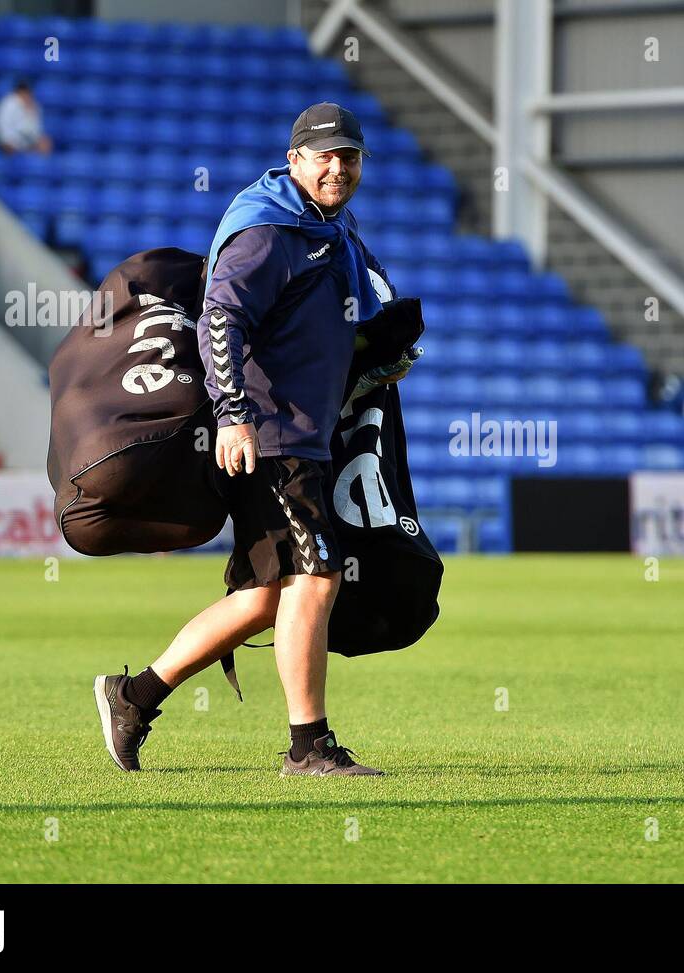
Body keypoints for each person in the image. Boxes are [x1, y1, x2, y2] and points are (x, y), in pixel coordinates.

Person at [94, 103, 408, 777]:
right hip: (270, 436)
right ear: (293, 160)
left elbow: (339, 329)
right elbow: (220, 321)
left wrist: (380, 358)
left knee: (270, 596)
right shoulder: (267, 232)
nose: (337, 166)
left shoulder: (329, 229)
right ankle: (309, 746)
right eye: (322, 155)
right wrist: (233, 413)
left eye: (348, 156)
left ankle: (133, 696)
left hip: (304, 437)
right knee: (317, 574)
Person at [0, 80, 51, 154]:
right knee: (8, 145)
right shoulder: (8, 103)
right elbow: (1, 126)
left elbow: (35, 132)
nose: (27, 95)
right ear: (19, 91)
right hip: (9, 142)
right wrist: (7, 141)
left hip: (27, 143)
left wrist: (30, 113)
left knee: (45, 144)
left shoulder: (34, 106)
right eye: (24, 92)